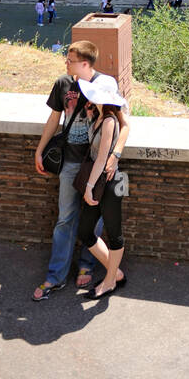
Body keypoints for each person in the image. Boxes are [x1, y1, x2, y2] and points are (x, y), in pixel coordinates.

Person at [32, 41, 129, 300]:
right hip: (69, 162)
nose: (66, 62)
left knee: (93, 221)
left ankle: (88, 265)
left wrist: (115, 155)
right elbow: (55, 119)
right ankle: (56, 276)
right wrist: (39, 150)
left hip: (93, 166)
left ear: (85, 63)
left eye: (70, 59)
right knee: (66, 219)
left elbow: (123, 124)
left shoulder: (104, 86)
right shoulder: (63, 84)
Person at [76, 74, 128, 298]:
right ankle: (116, 273)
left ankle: (109, 282)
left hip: (111, 181)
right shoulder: (97, 116)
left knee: (114, 233)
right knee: (85, 231)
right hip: (100, 181)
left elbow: (101, 158)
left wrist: (88, 186)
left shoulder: (109, 120)